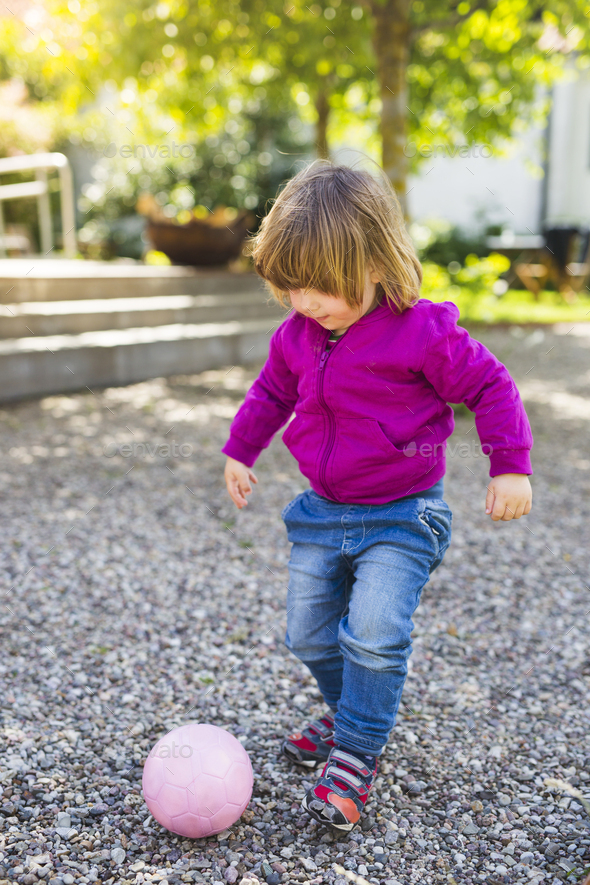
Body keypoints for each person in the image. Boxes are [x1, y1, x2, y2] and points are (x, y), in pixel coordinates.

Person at [221, 159, 533, 832]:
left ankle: (358, 750)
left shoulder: (422, 332)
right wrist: (240, 449)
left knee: (374, 631)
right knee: (306, 632)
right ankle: (350, 710)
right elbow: (273, 392)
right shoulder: (299, 334)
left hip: (402, 512)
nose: (303, 302)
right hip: (323, 511)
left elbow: (492, 386)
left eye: (318, 288)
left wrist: (509, 464)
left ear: (373, 261)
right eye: (290, 287)